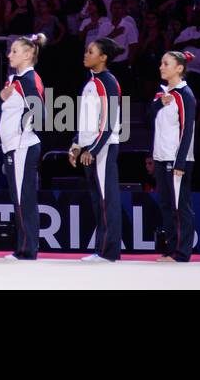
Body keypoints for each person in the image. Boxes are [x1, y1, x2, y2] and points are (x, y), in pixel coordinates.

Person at [70, 37, 123, 262]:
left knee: (106, 199)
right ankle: (101, 249)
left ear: (103, 57)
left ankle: (109, 252)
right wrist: (76, 144)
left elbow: (108, 122)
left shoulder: (108, 82)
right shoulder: (91, 83)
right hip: (89, 148)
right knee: (97, 200)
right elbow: (86, 121)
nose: (86, 54)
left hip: (103, 149)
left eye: (91, 51)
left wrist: (93, 149)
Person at [0, 34, 46, 260]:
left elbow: (40, 112)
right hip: (15, 146)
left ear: (28, 54)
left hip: (23, 146)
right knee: (19, 198)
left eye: (15, 51)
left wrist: (22, 127)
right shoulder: (16, 80)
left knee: (24, 199)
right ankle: (23, 247)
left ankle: (27, 250)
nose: (10, 54)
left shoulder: (28, 79)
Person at [151, 50, 198, 262]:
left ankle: (182, 252)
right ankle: (170, 249)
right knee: (166, 205)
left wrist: (180, 160)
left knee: (180, 205)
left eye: (166, 63)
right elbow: (147, 119)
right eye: (161, 63)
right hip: (161, 157)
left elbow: (187, 130)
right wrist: (159, 103)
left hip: (177, 158)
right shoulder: (160, 94)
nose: (161, 67)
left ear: (179, 68)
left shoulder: (185, 95)